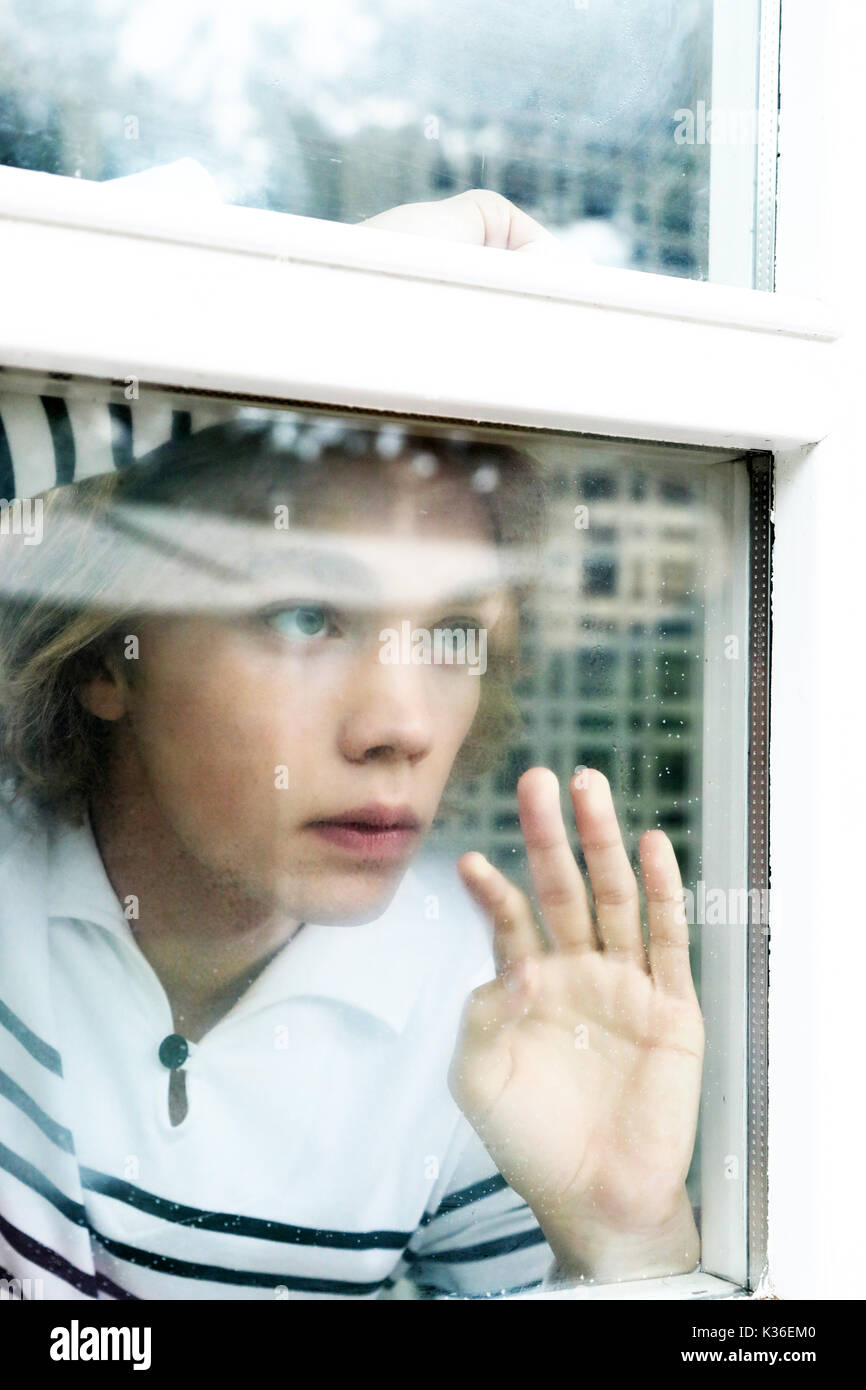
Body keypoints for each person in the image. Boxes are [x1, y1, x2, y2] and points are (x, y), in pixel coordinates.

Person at [0, 172, 703, 1301]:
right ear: (104, 656)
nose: (401, 728)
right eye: (304, 614)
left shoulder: (487, 1020)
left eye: (456, 633)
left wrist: (626, 1253)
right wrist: (276, 319)